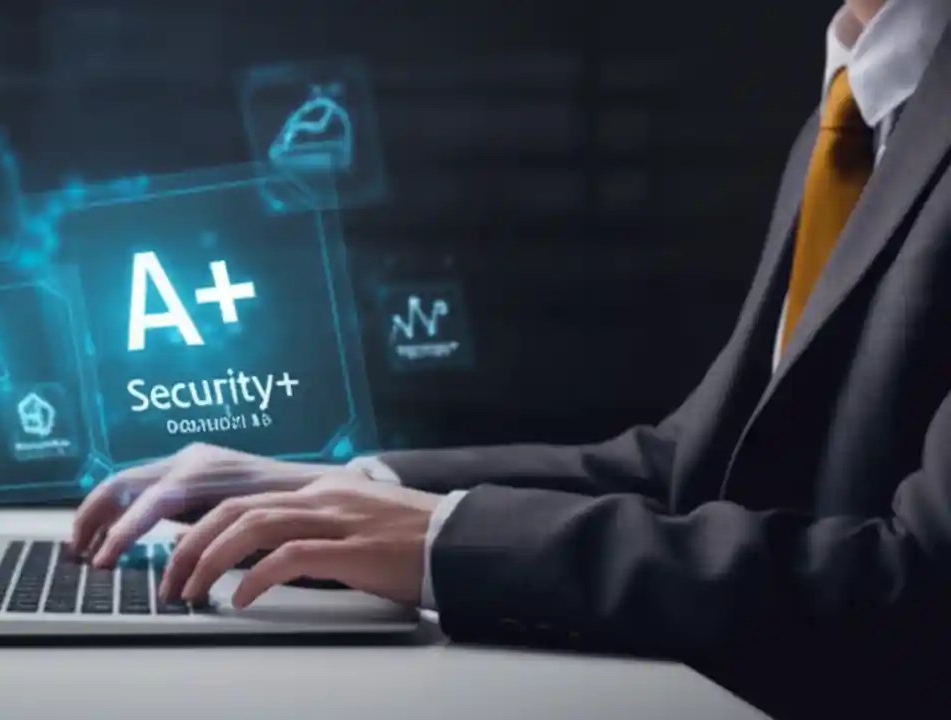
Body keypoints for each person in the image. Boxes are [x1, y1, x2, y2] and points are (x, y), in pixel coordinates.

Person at [73, 0, 951, 715]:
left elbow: (919, 587)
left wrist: (446, 541)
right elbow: (691, 465)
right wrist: (355, 490)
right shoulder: (862, 101)